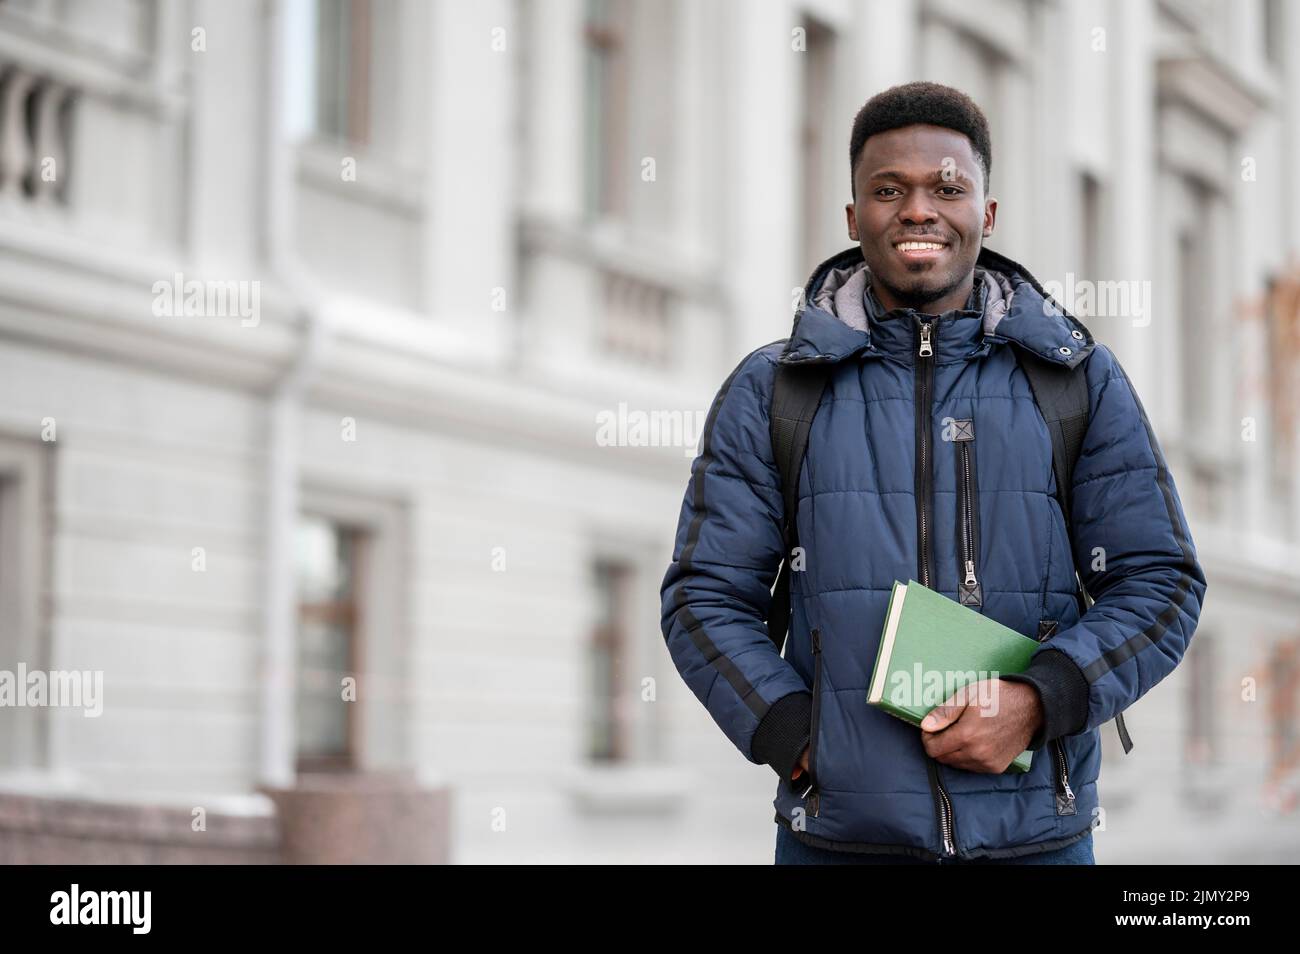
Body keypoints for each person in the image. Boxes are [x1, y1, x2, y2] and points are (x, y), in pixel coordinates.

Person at [659, 81, 1207, 865]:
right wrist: (799, 738)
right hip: (838, 844)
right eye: (889, 189)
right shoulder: (774, 389)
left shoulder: (1077, 381)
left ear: (986, 213)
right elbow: (703, 597)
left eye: (947, 187)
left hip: (1038, 843)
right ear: (854, 217)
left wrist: (1039, 701)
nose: (918, 209)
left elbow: (1163, 582)